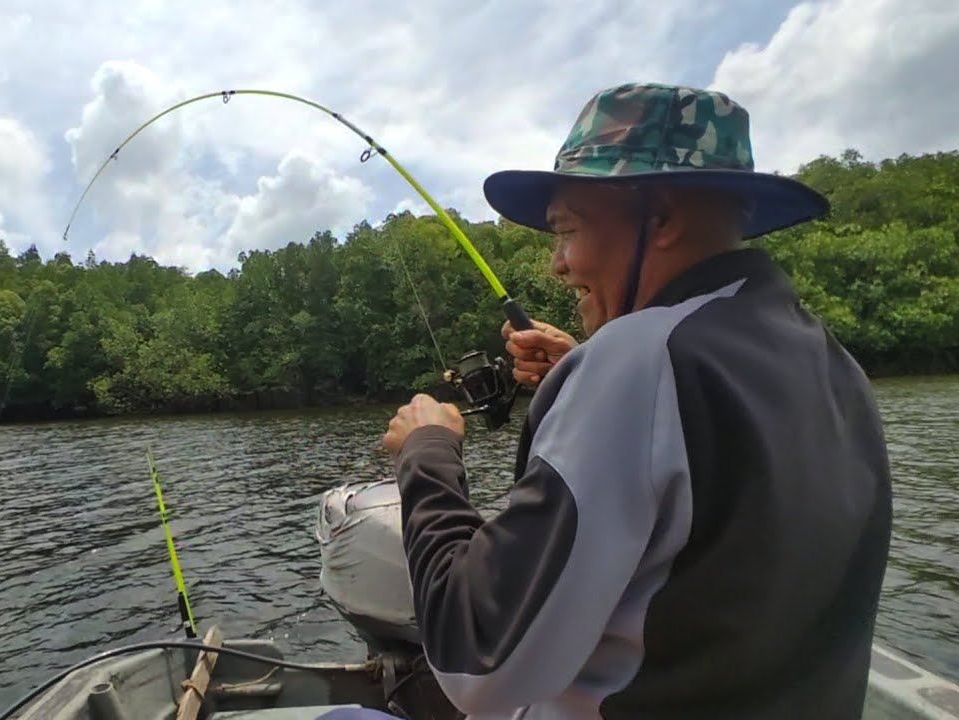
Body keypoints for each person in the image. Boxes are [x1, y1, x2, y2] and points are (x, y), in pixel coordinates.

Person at [380, 83, 894, 718]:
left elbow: (475, 657)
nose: (558, 265)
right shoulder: (831, 362)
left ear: (662, 219)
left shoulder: (637, 361)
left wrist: (427, 452)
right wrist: (581, 371)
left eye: (566, 230)